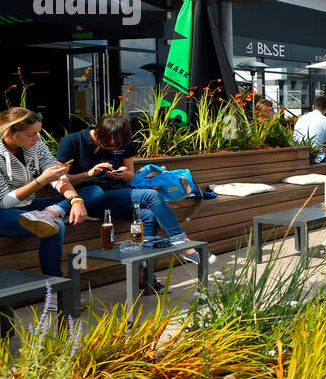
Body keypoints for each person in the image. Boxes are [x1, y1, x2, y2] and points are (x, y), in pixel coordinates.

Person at [56, 114, 211, 275]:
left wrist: (122, 173)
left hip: (120, 196)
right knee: (150, 195)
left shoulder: (123, 141)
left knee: (148, 215)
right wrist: (89, 174)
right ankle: (183, 244)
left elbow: (130, 174)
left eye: (118, 147)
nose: (114, 149)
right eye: (109, 146)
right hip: (90, 198)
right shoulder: (72, 142)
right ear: (99, 133)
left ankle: (144, 276)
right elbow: (60, 181)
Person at [0, 107, 104, 280]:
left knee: (94, 192)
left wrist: (75, 200)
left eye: (38, 133)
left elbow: (55, 175)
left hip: (27, 205)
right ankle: (54, 289)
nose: (37, 138)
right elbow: (4, 202)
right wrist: (40, 181)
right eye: (31, 134)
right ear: (9, 133)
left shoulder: (34, 143)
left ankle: (53, 211)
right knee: (54, 227)